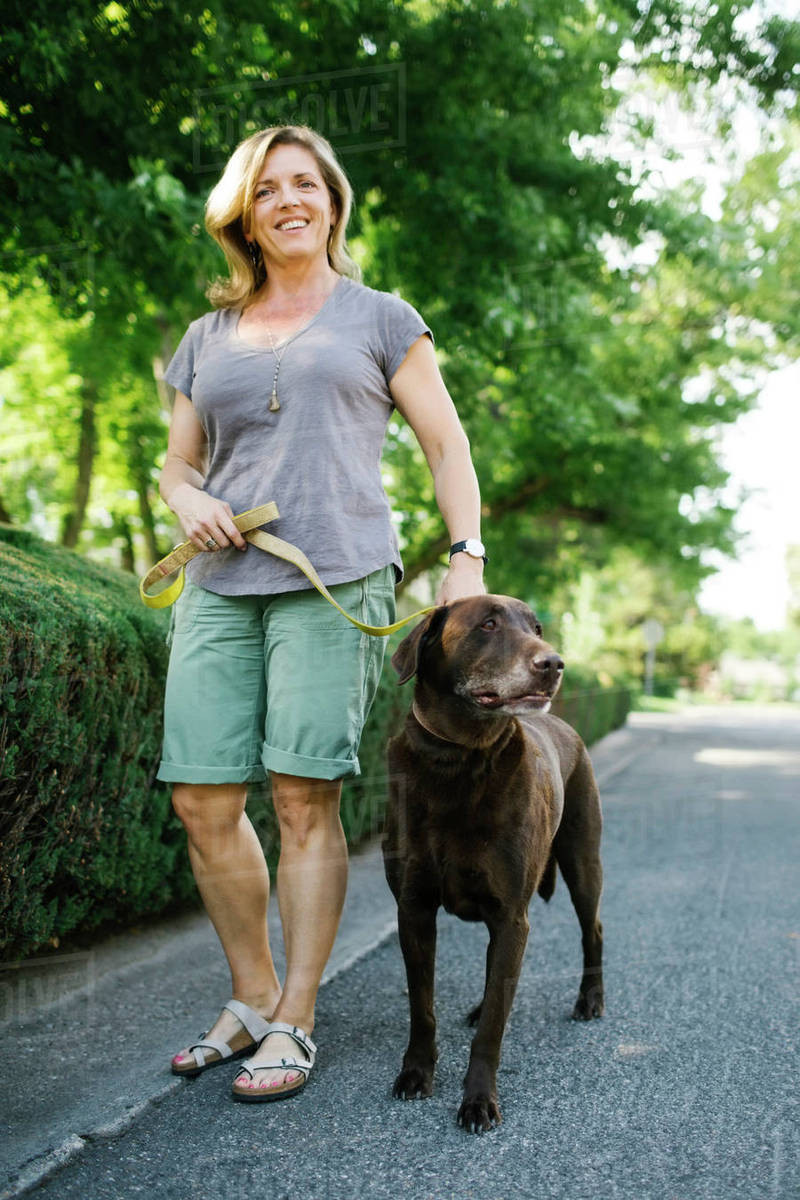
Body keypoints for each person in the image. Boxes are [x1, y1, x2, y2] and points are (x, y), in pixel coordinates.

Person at [160, 124, 487, 1103]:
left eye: (307, 184)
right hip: (220, 585)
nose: (289, 199)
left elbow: (445, 446)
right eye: (267, 189)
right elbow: (177, 462)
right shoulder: (204, 337)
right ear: (243, 217)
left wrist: (465, 558)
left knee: (303, 796)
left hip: (333, 577)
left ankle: (295, 1018)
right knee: (201, 798)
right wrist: (187, 499)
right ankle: (252, 996)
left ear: (333, 205)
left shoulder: (380, 317)